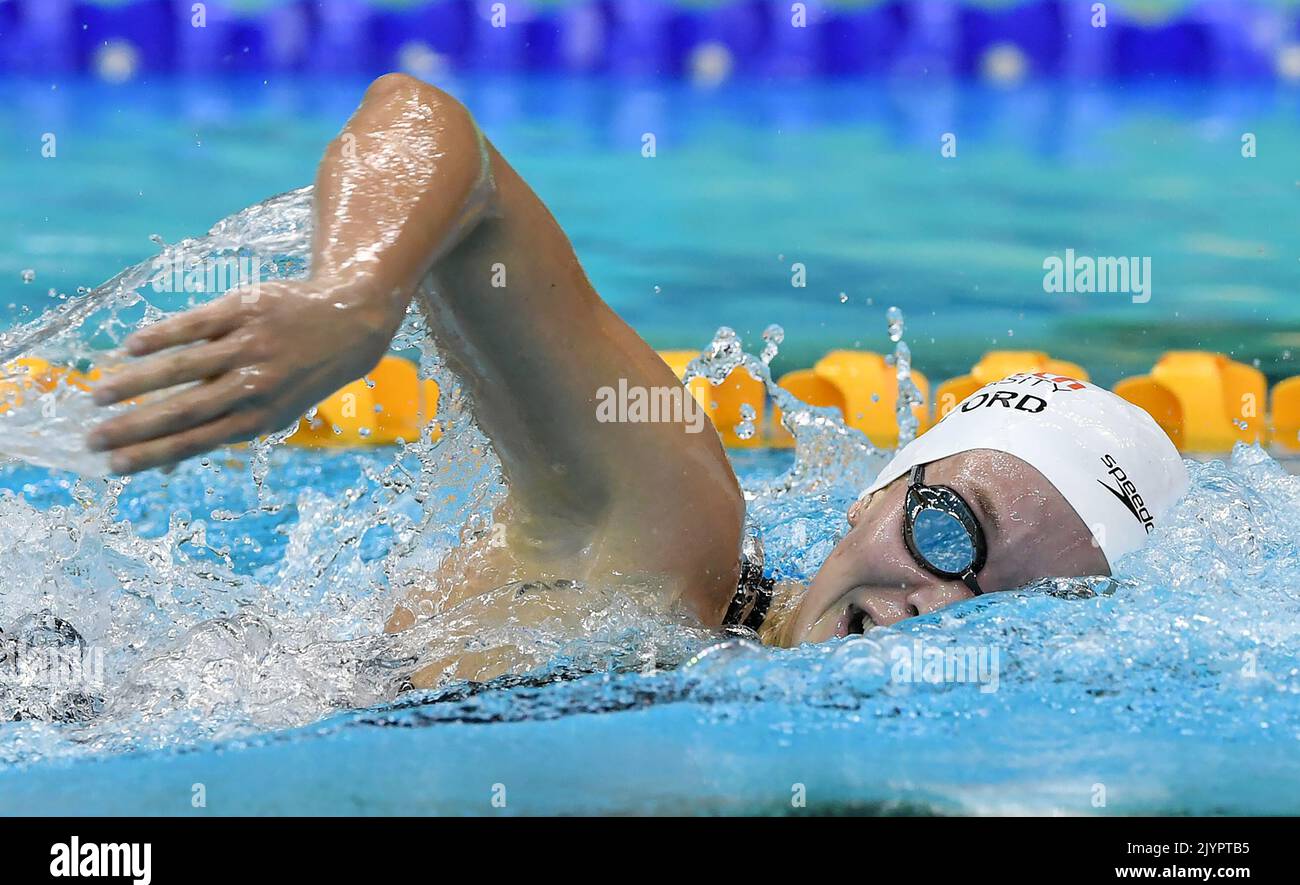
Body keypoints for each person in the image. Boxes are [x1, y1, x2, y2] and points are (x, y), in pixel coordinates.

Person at [85, 75, 1188, 685]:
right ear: (877, 496)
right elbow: (434, 132)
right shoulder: (667, 546)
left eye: (1023, 611)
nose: (940, 605)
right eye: (950, 531)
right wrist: (356, 292)